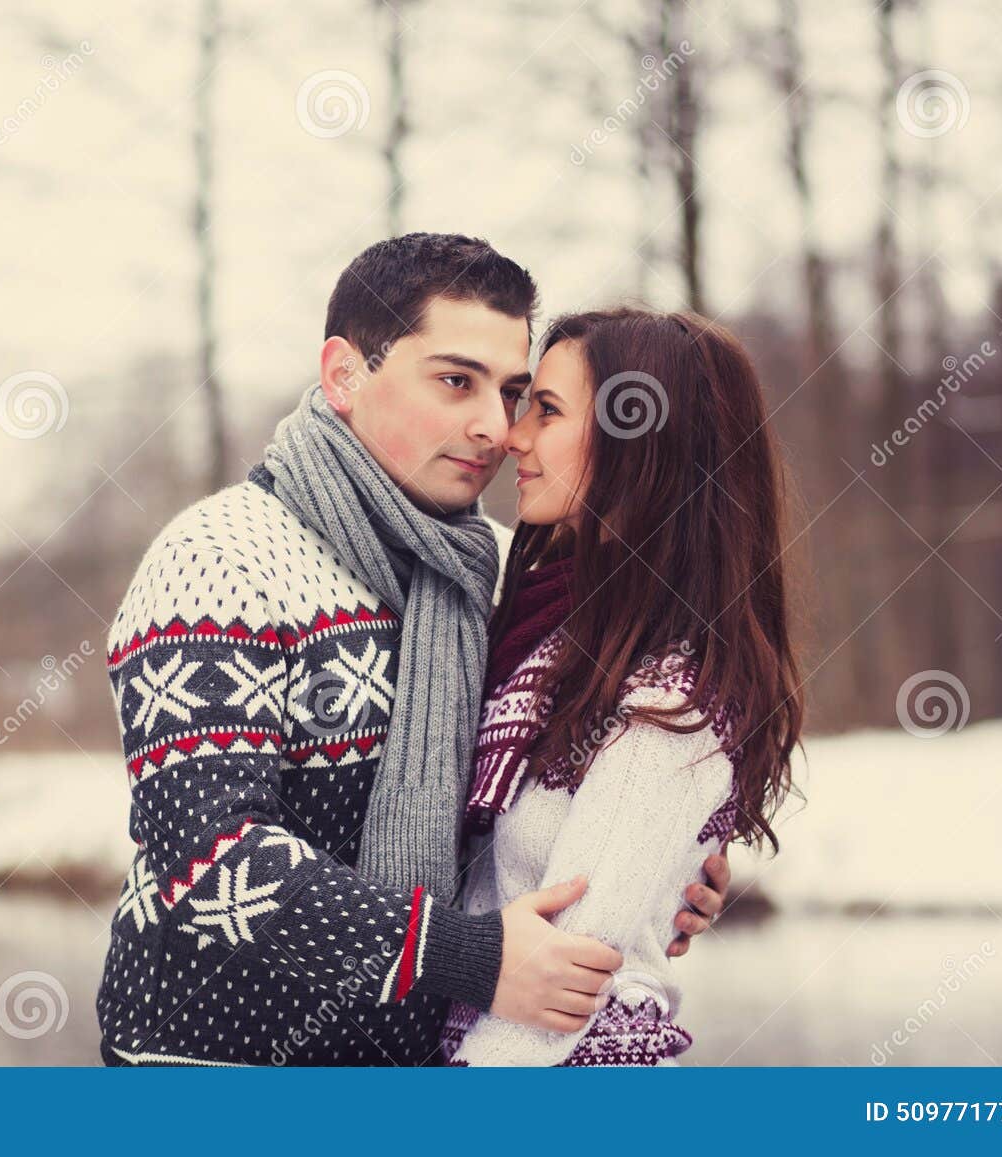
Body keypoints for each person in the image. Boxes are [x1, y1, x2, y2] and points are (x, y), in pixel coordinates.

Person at [96, 235, 731, 1066]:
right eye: (456, 381)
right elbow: (211, 860)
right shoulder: (222, 560)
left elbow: (547, 788)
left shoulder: (498, 573)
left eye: (512, 392)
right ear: (344, 374)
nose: (495, 426)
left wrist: (662, 866)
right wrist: (473, 957)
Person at [441, 307, 804, 1065]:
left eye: (546, 410)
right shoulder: (537, 626)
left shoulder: (671, 704)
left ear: (639, 446)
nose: (512, 436)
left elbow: (563, 997)